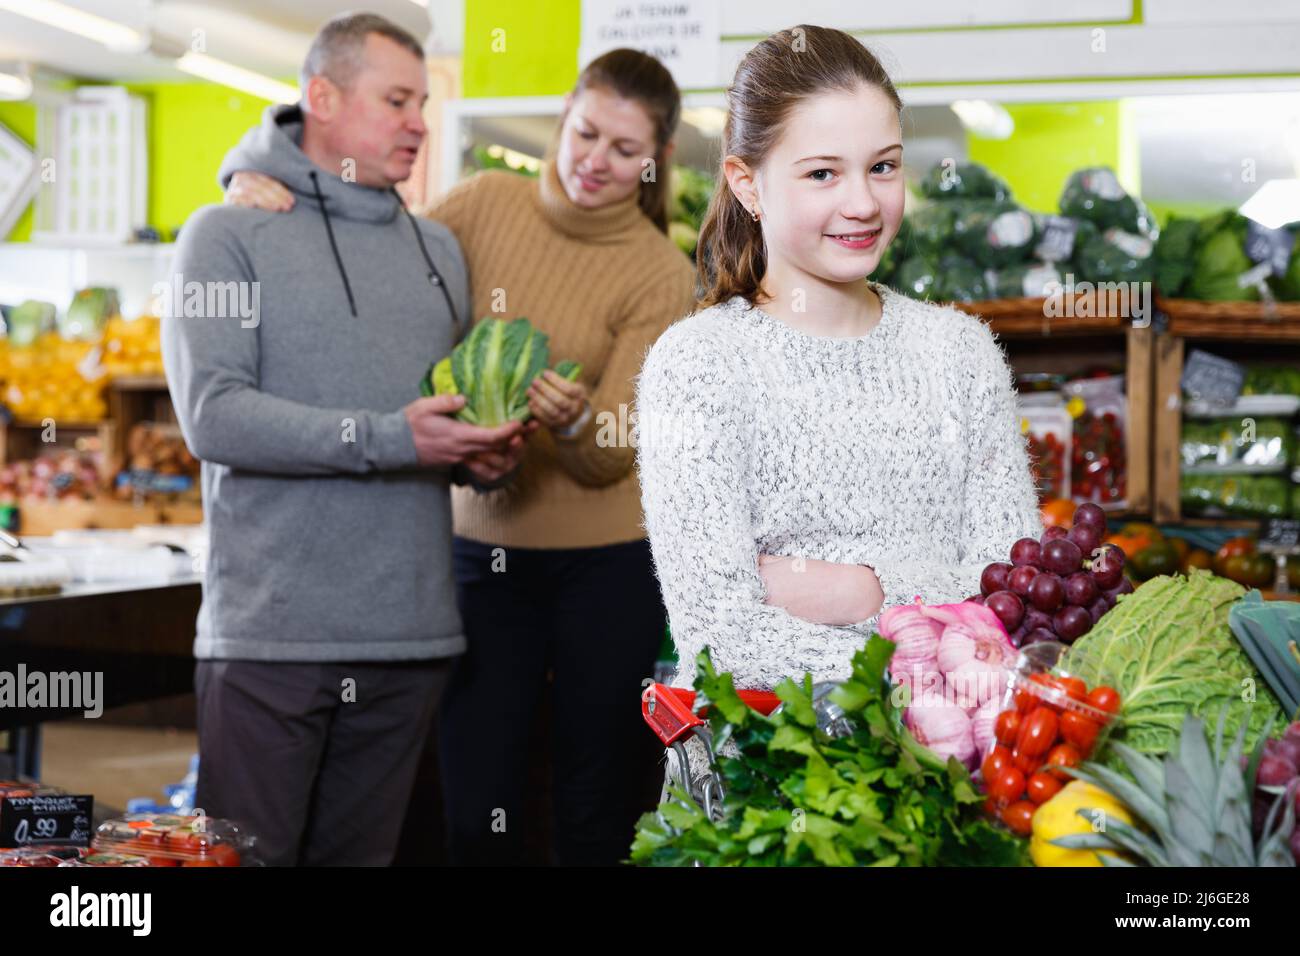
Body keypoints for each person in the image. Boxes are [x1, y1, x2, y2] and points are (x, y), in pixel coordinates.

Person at [224, 49, 696, 864]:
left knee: (593, 793)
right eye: (586, 133)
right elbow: (371, 248)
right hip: (483, 554)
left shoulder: (659, 270)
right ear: (563, 120)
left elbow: (611, 454)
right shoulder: (480, 203)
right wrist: (246, 172)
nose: (596, 161)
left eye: (625, 150)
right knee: (478, 787)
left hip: (608, 567)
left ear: (653, 161)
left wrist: (580, 423)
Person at [162, 12, 529, 866]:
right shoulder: (224, 233)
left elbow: (433, 418)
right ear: (321, 97)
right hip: (272, 640)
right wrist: (392, 439)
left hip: (413, 637)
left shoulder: (437, 246)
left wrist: (482, 452)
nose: (418, 122)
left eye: (423, 102)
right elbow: (212, 415)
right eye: (396, 99)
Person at [634, 24, 1042, 784]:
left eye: (882, 166)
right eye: (822, 174)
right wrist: (930, 644)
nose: (863, 203)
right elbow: (723, 638)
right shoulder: (697, 367)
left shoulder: (961, 353)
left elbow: (1007, 598)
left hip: (942, 775)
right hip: (757, 780)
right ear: (747, 183)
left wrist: (865, 588)